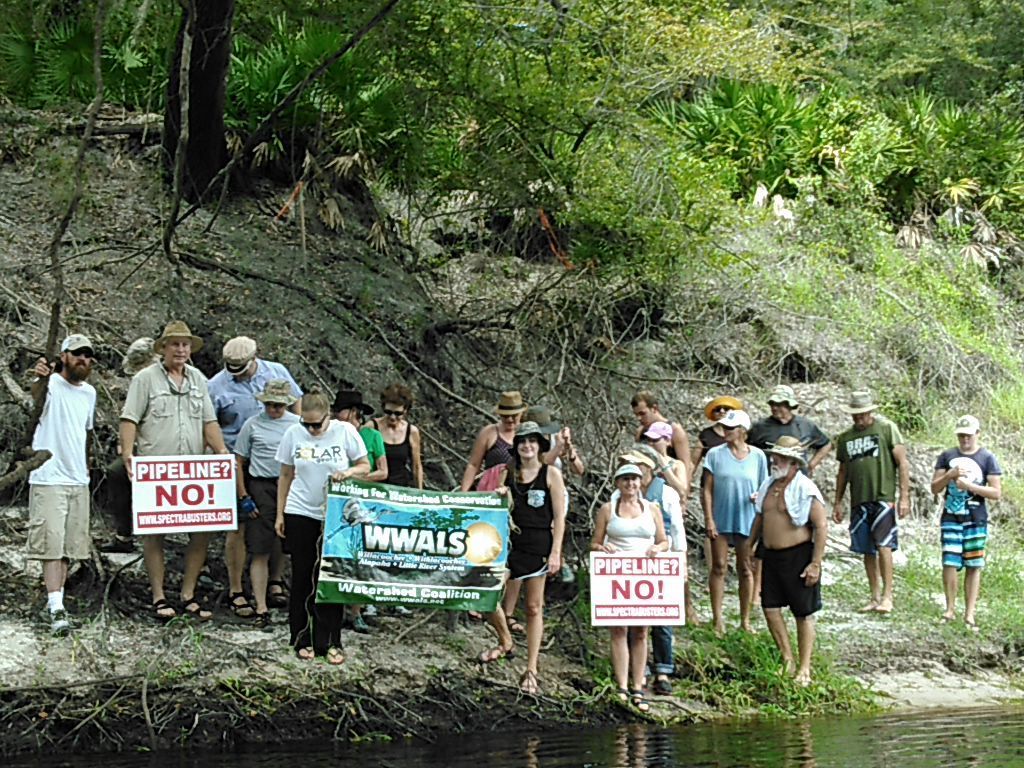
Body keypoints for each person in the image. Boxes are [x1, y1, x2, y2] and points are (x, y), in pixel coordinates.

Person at [120, 321, 228, 621]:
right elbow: (129, 418)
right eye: (175, 344)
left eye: (185, 344)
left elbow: (209, 421)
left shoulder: (199, 380)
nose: (181, 349)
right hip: (157, 469)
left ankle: (188, 593)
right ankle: (158, 596)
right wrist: (128, 454)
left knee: (202, 530)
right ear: (163, 348)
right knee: (154, 533)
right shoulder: (144, 379)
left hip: (193, 468)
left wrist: (221, 451)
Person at [209, 336, 302, 619]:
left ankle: (275, 580)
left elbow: (296, 401)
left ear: (254, 358)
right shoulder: (216, 385)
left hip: (277, 464)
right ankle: (236, 589)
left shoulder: (276, 372)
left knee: (279, 522)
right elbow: (208, 423)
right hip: (235, 458)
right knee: (238, 525)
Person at [275, 391, 369, 662]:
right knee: (303, 574)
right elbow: (285, 474)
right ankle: (301, 637)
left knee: (329, 575)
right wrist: (280, 514)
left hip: (333, 511)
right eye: (306, 424)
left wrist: (348, 472)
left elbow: (365, 465)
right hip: (300, 508)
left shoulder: (345, 431)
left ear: (329, 416)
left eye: (317, 424)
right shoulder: (293, 433)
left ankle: (330, 640)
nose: (312, 430)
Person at [481, 422, 566, 695]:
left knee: (533, 607)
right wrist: (501, 496)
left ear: (539, 445)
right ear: (516, 446)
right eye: (522, 442)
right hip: (510, 543)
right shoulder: (508, 473)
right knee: (487, 593)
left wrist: (556, 552)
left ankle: (531, 668)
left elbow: (559, 517)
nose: (527, 446)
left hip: (538, 543)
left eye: (532, 441)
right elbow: (499, 509)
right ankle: (506, 641)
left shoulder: (550, 474)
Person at [26, 333, 97, 636]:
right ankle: (55, 607)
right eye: (77, 353)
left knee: (68, 547)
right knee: (51, 545)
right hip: (49, 476)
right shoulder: (51, 385)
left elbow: (86, 434)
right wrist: (40, 377)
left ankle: (57, 602)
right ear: (64, 356)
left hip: (77, 478)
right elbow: (36, 397)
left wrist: (86, 470)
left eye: (88, 355)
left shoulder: (89, 393)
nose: (83, 359)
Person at [590, 463, 669, 713]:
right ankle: (622, 686)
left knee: (641, 631)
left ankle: (638, 686)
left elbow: (664, 541)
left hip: (644, 574)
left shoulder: (652, 509)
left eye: (634, 479)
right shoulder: (607, 509)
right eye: (625, 479)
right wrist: (603, 548)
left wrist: (657, 548)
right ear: (618, 483)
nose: (630, 484)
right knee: (619, 629)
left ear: (640, 481)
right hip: (617, 574)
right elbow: (595, 542)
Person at [750, 436, 827, 686]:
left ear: (794, 463)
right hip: (771, 555)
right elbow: (760, 517)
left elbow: (820, 525)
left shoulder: (805, 488)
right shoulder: (768, 485)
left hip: (798, 554)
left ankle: (805, 668)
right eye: (775, 456)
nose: (775, 461)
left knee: (803, 612)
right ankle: (787, 659)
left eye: (781, 458)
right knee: (770, 607)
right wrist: (750, 546)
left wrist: (815, 563)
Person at [831, 391, 910, 614]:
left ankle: (887, 596)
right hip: (859, 499)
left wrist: (904, 496)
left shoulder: (886, 429)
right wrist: (838, 501)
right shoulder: (846, 438)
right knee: (866, 548)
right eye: (855, 415)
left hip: (883, 496)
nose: (859, 419)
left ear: (870, 412)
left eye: (862, 414)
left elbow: (902, 462)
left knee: (884, 545)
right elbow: (843, 471)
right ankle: (874, 596)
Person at [616, 450, 685, 695]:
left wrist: (681, 561)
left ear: (648, 467)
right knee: (632, 616)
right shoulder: (619, 496)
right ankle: (639, 670)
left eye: (636, 464)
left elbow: (676, 530)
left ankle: (663, 670)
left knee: (661, 618)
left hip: (660, 562)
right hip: (629, 565)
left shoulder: (666, 493)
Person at [234, 380, 300, 628]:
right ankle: (260, 605)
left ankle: (280, 586)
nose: (274, 409)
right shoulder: (252, 424)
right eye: (270, 404)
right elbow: (238, 460)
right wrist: (244, 496)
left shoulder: (296, 425)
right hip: (261, 485)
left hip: (290, 484)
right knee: (259, 546)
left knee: (286, 541)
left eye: (279, 405)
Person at [929, 415, 1001, 630]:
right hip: (951, 516)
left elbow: (996, 492)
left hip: (976, 518)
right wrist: (949, 476)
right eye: (961, 435)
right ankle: (949, 609)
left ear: (977, 434)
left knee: (974, 564)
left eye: (968, 435)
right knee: (949, 561)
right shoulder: (947, 456)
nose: (965, 439)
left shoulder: (987, 458)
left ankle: (970, 614)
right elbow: (934, 488)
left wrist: (970, 486)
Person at [702, 409, 768, 635]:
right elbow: (707, 489)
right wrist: (709, 518)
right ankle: (717, 619)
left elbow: (764, 486)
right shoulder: (714, 454)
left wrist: (758, 497)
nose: (726, 431)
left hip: (747, 518)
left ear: (742, 431)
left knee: (745, 568)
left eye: (731, 428)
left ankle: (745, 620)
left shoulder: (758, 456)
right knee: (719, 566)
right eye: (725, 427)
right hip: (721, 516)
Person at [333, 386, 387, 633]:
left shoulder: (371, 436)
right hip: (335, 501)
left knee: (361, 554)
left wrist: (353, 477)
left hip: (362, 499)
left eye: (343, 411)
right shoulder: (331, 432)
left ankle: (357, 611)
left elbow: (381, 470)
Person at [100, 337, 160, 554]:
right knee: (117, 472)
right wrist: (126, 444)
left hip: (167, 446)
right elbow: (131, 417)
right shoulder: (139, 383)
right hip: (141, 445)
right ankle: (124, 534)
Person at [747, 385, 831, 474]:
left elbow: (826, 444)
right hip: (770, 477)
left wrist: (810, 466)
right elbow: (745, 449)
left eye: (778, 404)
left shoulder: (805, 425)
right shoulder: (760, 427)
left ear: (789, 405)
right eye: (772, 404)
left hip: (798, 478)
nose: (774, 408)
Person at [460, 391, 528, 491]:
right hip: (492, 490)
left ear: (521, 414)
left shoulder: (528, 433)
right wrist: (463, 493)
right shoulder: (489, 432)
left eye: (514, 416)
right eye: (505, 416)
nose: (509, 419)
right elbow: (473, 465)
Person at [371, 383, 423, 488]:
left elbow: (416, 466)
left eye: (398, 413)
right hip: (374, 488)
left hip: (399, 488)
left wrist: (420, 492)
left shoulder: (411, 431)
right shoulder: (371, 427)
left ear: (405, 411)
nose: (393, 417)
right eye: (388, 412)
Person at [631, 391, 693, 476]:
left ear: (654, 408)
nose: (639, 418)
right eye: (636, 414)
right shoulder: (640, 432)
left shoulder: (675, 431)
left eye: (642, 413)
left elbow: (686, 467)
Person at [691, 396, 743, 483]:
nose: (722, 411)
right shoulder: (706, 434)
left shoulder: (740, 433)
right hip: (710, 483)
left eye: (726, 408)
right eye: (718, 409)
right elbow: (693, 463)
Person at [525, 404, 585, 476]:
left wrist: (569, 450)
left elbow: (580, 471)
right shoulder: (526, 444)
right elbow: (542, 465)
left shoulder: (554, 437)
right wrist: (558, 447)